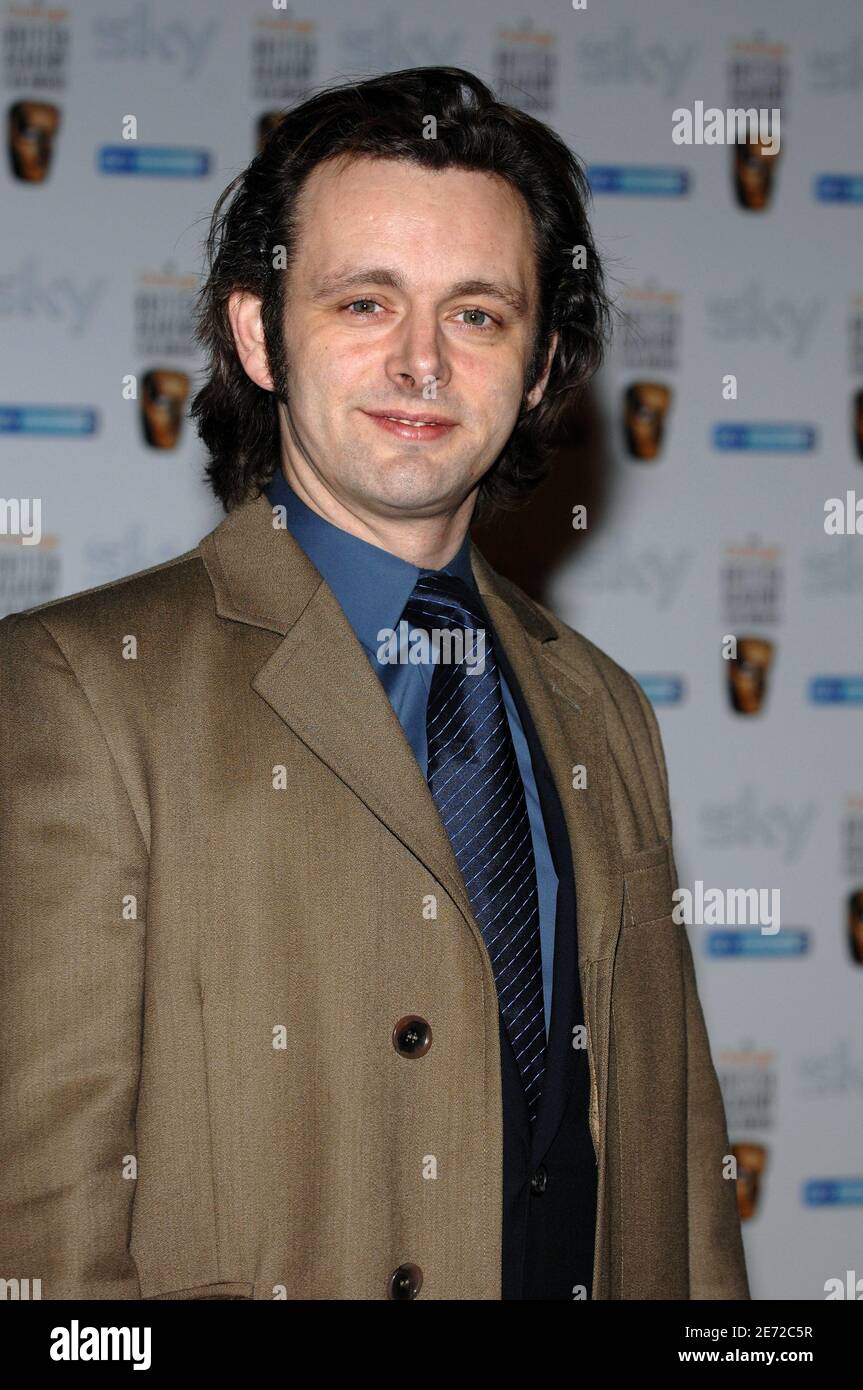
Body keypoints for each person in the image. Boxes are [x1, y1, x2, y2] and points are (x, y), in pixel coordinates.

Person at [0, 66, 749, 1300]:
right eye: (362, 301)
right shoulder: (82, 686)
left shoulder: (601, 709)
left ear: (540, 359)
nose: (420, 364)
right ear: (258, 332)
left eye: (475, 314)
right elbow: (36, 1239)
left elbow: (673, 1189)